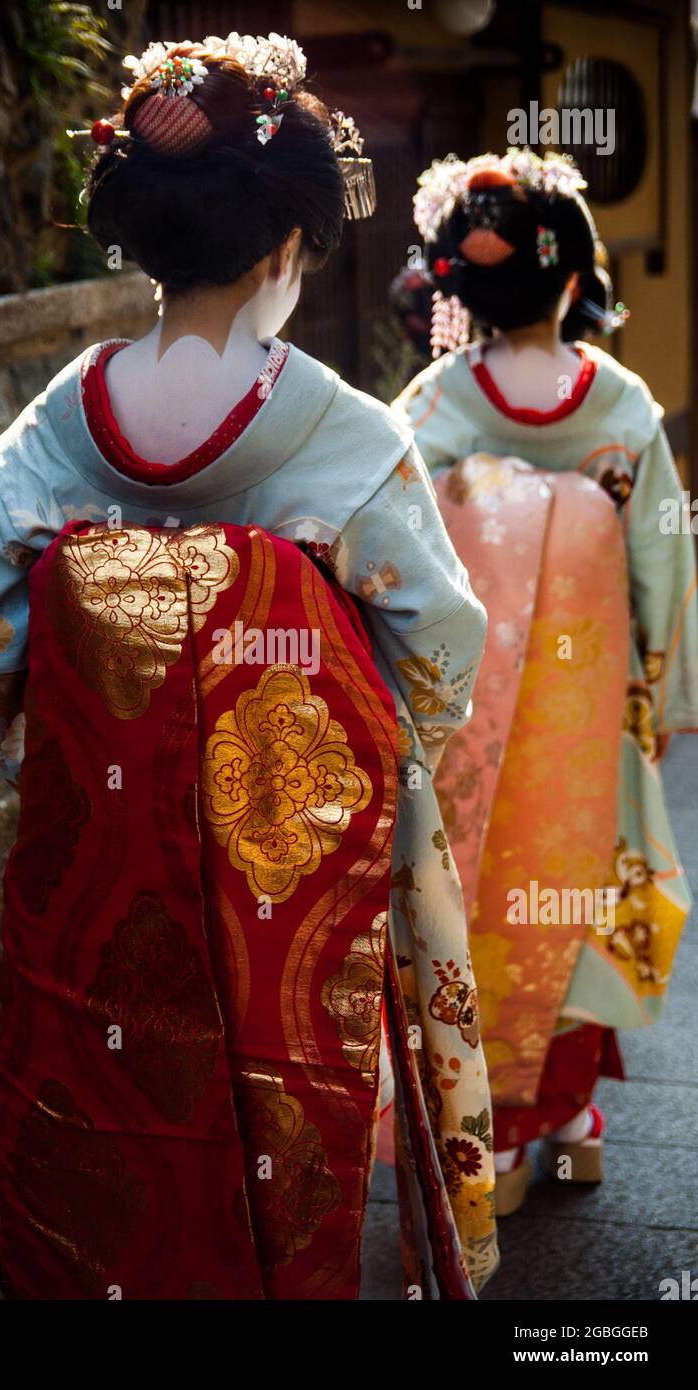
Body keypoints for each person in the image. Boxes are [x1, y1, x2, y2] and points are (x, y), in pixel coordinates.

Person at [0, 34, 497, 1297]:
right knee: (290, 1106)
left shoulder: (57, 423)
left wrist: (85, 738)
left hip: (102, 866)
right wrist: (362, 767)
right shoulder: (343, 432)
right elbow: (442, 642)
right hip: (291, 867)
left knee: (105, 1093)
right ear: (288, 248)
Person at [392, 149, 698, 1216]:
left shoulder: (431, 410)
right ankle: (568, 1124)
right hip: (590, 708)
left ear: (458, 290)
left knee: (475, 902)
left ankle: (497, 1141)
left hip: (474, 718)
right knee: (573, 896)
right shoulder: (620, 402)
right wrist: (661, 692)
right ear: (575, 280)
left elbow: (389, 553)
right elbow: (664, 557)